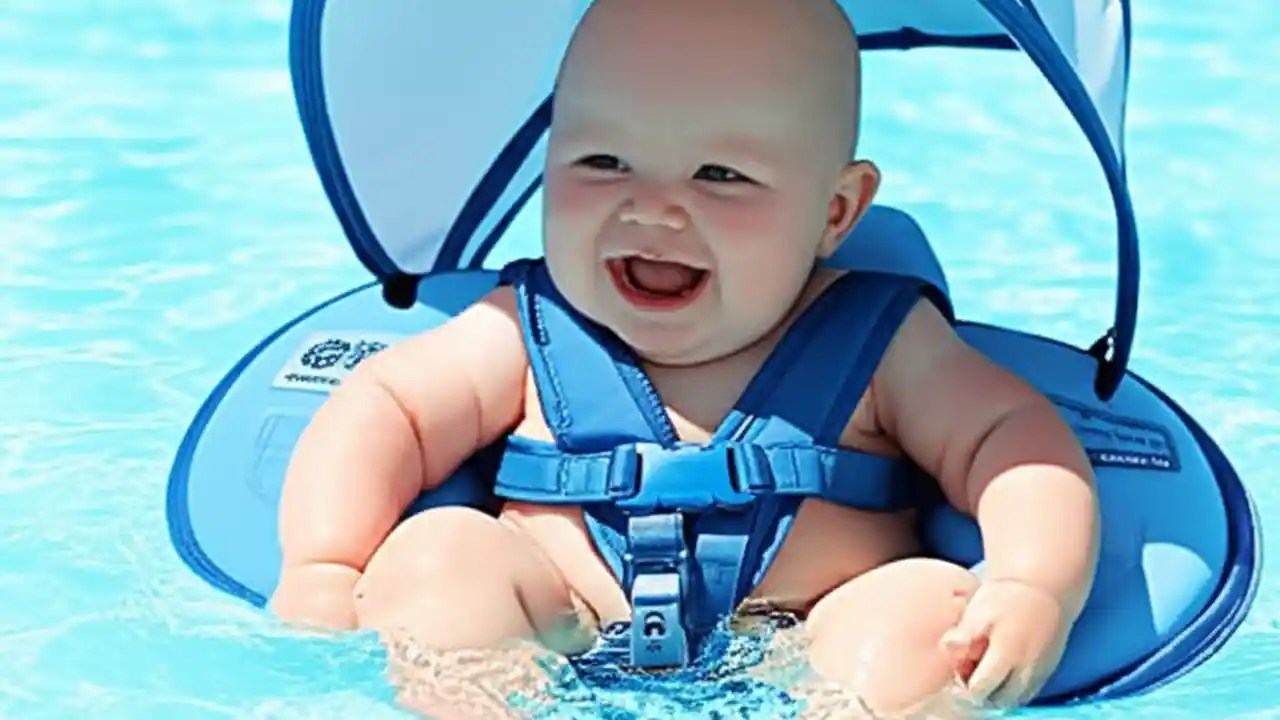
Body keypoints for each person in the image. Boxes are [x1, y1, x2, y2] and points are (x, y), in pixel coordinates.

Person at [268, 0, 1100, 716]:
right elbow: (384, 410)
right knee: (439, 556)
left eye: (721, 174)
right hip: (563, 623)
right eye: (603, 161)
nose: (654, 207)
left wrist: (1032, 586)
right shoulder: (525, 328)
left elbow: (1012, 439)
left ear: (836, 210)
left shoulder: (881, 341)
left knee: (925, 614)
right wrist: (326, 560)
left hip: (808, 635)